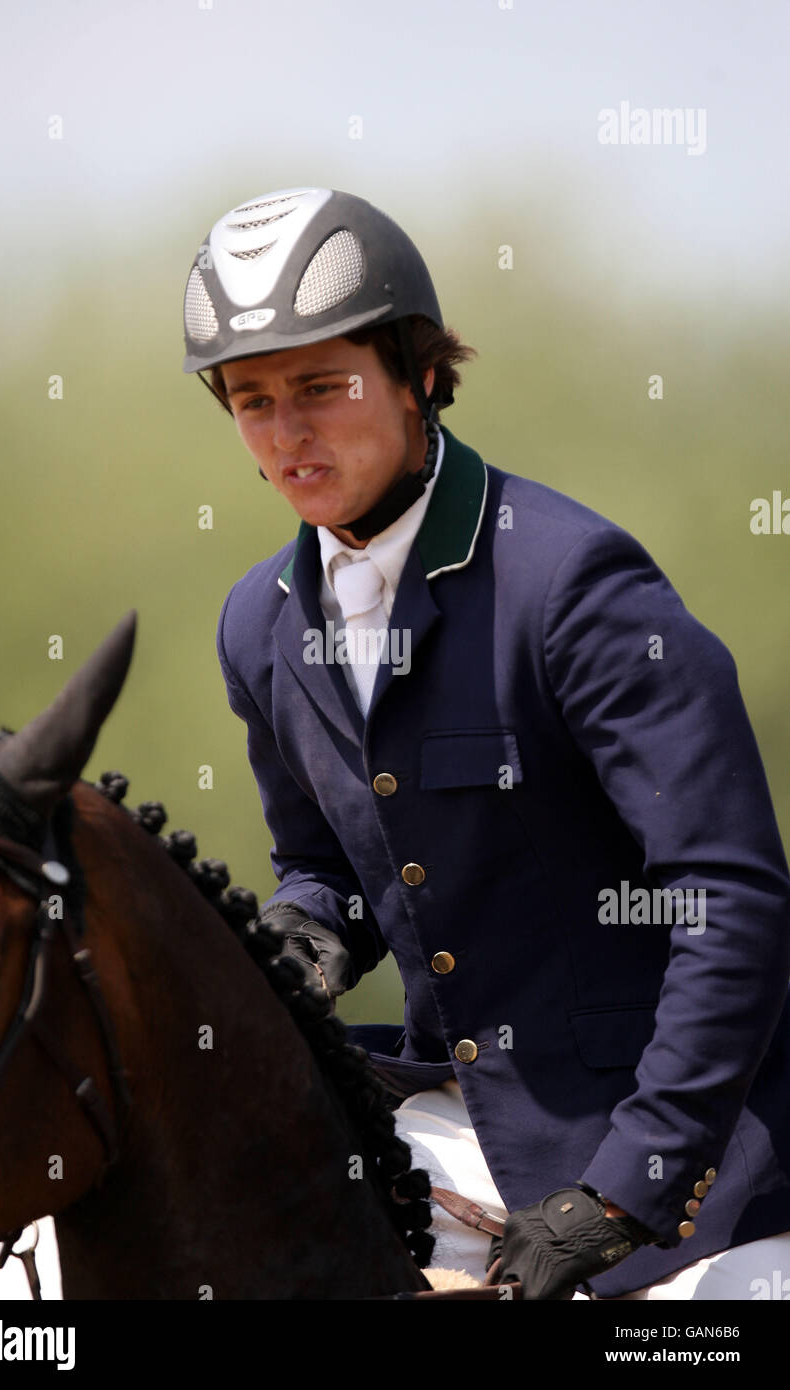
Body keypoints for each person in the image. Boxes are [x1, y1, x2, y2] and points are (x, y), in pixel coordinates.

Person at [183, 185, 790, 1299]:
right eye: (252, 401)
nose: (287, 434)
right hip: (452, 1138)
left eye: (322, 388)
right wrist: (297, 939)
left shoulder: (571, 585)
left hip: (699, 1169)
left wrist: (623, 1192)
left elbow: (731, 900)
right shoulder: (258, 623)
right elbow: (327, 871)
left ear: (418, 373)